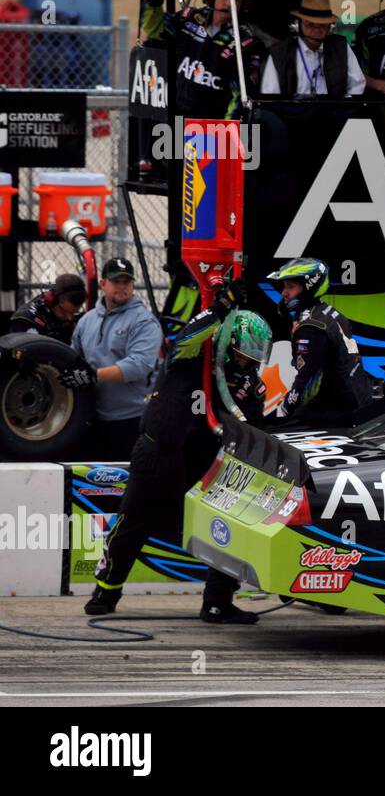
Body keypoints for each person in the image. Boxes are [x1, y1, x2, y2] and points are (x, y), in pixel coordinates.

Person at [84, 278, 271, 623]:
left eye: (254, 358)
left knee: (227, 526)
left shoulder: (249, 383)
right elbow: (185, 336)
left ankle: (217, 603)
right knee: (132, 522)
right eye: (245, 356)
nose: (249, 364)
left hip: (206, 462)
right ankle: (106, 591)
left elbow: (257, 427)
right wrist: (220, 307)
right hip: (158, 451)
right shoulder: (192, 357)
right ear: (228, 345)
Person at [63, 259, 162, 461]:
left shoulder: (144, 321)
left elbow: (139, 365)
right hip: (92, 417)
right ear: (103, 284)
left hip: (132, 419)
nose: (122, 286)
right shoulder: (87, 321)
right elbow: (73, 358)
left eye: (127, 282)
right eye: (116, 281)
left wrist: (93, 376)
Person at [140, 0, 265, 119]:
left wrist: (225, 131)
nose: (229, 4)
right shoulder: (189, 18)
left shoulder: (246, 43)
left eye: (235, 0)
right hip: (175, 118)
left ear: (244, 4)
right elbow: (154, 29)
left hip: (211, 127)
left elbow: (240, 96)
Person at [266, 258, 372, 424]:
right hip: (359, 400)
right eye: (284, 287)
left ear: (308, 287)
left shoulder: (311, 328)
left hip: (339, 412)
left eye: (290, 287)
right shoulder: (327, 312)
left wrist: (286, 408)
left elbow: (306, 379)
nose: (284, 293)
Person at [260, 0, 365, 97]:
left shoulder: (341, 47)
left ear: (330, 27)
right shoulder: (280, 52)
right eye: (309, 23)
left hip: (333, 112)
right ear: (298, 24)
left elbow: (357, 84)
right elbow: (270, 95)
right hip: (293, 112)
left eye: (322, 25)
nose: (316, 30)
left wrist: (344, 106)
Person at [8, 273, 86, 342]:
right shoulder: (26, 321)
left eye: (74, 313)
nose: (70, 318)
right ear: (51, 300)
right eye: (64, 312)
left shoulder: (80, 319)